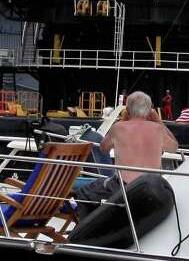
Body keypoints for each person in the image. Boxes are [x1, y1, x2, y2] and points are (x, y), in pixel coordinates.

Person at [74, 91, 178, 220]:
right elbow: (174, 147)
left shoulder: (118, 128)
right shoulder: (158, 129)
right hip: (152, 187)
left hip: (124, 187)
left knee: (84, 192)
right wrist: (158, 121)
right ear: (150, 111)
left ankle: (89, 229)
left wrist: (123, 119)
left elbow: (103, 148)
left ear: (127, 110)